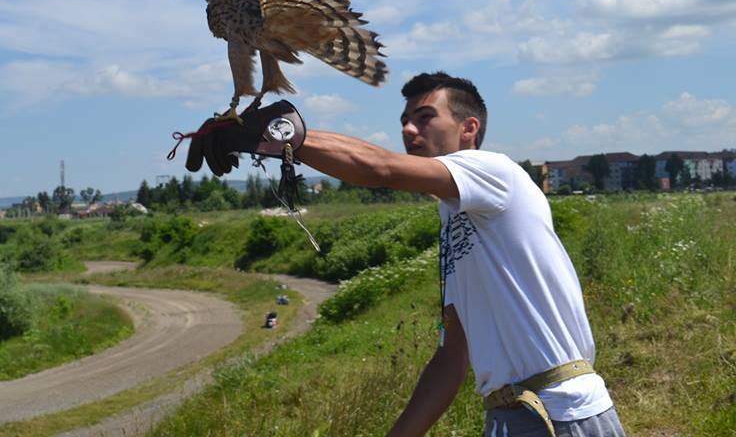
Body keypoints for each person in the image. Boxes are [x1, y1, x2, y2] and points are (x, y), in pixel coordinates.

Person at [185, 71, 625, 437]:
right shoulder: (456, 218)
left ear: (468, 128)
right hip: (510, 418)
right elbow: (452, 357)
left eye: (425, 117)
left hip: (564, 414)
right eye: (405, 120)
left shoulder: (495, 173)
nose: (409, 129)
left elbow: (380, 168)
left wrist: (282, 135)